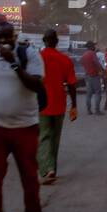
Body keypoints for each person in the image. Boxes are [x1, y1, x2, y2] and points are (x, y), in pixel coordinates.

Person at [0, 20, 47, 212]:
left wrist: (15, 64)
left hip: (25, 126)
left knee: (28, 176)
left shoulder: (29, 55)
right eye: (0, 40)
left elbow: (36, 85)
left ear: (15, 38)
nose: (3, 44)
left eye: (7, 39)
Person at [37, 29, 78, 186]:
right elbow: (72, 84)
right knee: (55, 138)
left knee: (43, 137)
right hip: (59, 103)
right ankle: (52, 168)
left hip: (41, 104)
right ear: (57, 41)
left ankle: (47, 170)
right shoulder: (64, 59)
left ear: (43, 40)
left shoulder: (38, 58)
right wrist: (74, 105)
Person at [80, 41, 104, 115]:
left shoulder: (84, 54)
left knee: (89, 94)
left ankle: (89, 110)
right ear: (91, 46)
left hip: (87, 75)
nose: (95, 47)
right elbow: (97, 63)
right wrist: (102, 70)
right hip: (94, 75)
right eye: (94, 45)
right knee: (98, 93)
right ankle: (97, 110)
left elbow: (81, 62)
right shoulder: (92, 53)